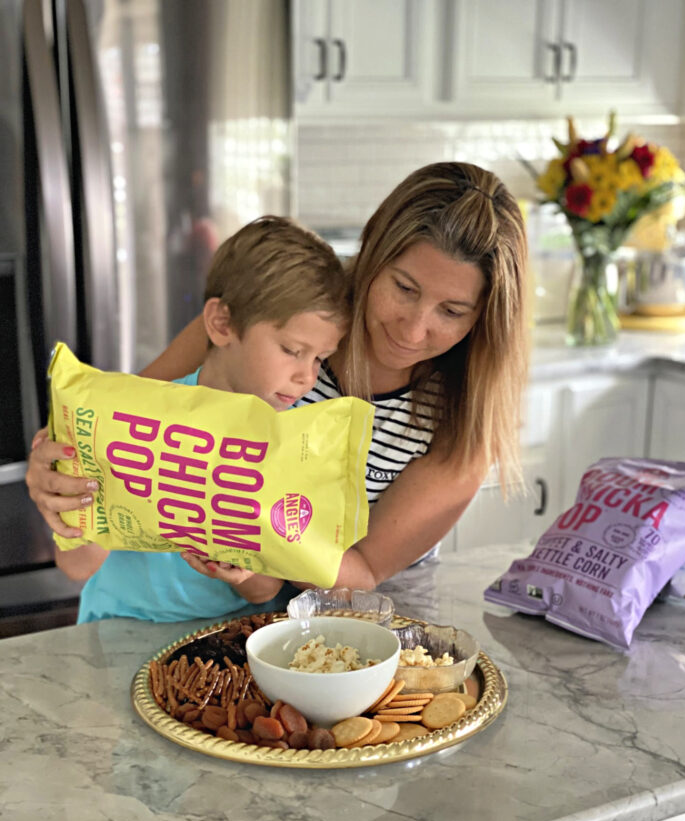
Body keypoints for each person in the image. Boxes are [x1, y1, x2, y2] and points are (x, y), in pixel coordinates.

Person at [26, 161, 529, 602]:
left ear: (484, 318)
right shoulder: (287, 310)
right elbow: (121, 426)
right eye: (404, 287)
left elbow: (364, 571)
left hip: (360, 623)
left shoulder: (462, 418)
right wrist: (59, 472)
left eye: (452, 310)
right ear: (373, 256)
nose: (414, 328)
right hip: (214, 612)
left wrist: (254, 559)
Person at [54, 215, 349, 622]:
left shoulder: (291, 442)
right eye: (292, 349)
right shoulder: (136, 418)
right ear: (222, 324)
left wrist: (235, 572)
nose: (308, 376)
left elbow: (265, 587)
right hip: (122, 625)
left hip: (224, 639)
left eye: (319, 358)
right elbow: (76, 566)